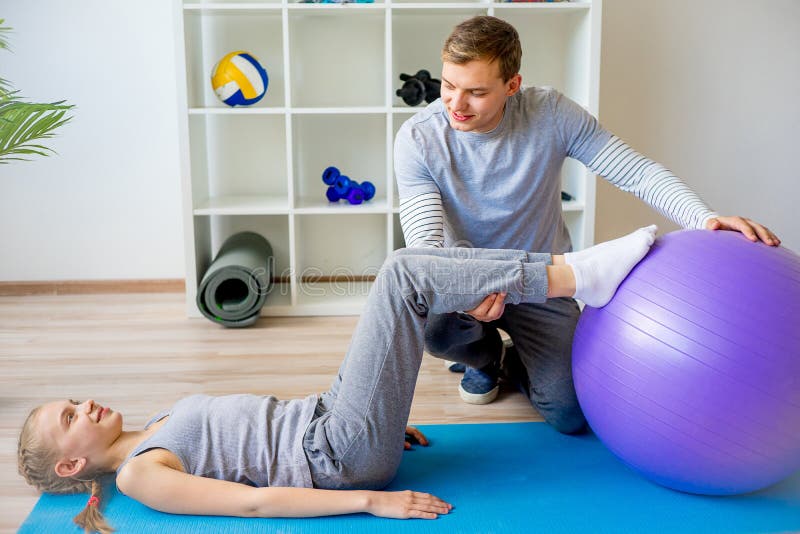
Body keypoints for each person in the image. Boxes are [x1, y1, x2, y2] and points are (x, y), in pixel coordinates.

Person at [17, 226, 658, 534]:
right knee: (404, 277)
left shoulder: (154, 427)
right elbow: (253, 502)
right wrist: (371, 500)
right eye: (70, 417)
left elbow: (259, 434)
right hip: (336, 457)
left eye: (72, 400)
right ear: (72, 469)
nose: (86, 404)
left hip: (335, 424)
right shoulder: (138, 474)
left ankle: (567, 273)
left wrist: (377, 412)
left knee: (407, 266)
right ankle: (573, 277)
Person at [394, 16, 781, 424]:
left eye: (476, 92)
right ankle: (484, 357)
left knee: (569, 414)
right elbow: (425, 245)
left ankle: (512, 360)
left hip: (545, 281)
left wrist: (704, 217)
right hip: (469, 285)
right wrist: (461, 297)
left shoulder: (551, 113)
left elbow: (635, 171)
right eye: (448, 85)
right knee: (435, 331)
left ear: (512, 85)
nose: (455, 105)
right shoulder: (418, 137)